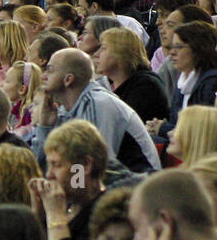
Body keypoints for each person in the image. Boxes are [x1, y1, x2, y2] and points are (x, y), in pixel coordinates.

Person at [33, 48, 161, 173]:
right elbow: (42, 169)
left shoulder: (100, 104)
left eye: (50, 70)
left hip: (139, 185)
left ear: (68, 79)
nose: (43, 76)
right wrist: (45, 127)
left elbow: (97, 170)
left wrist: (69, 188)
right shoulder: (62, 110)